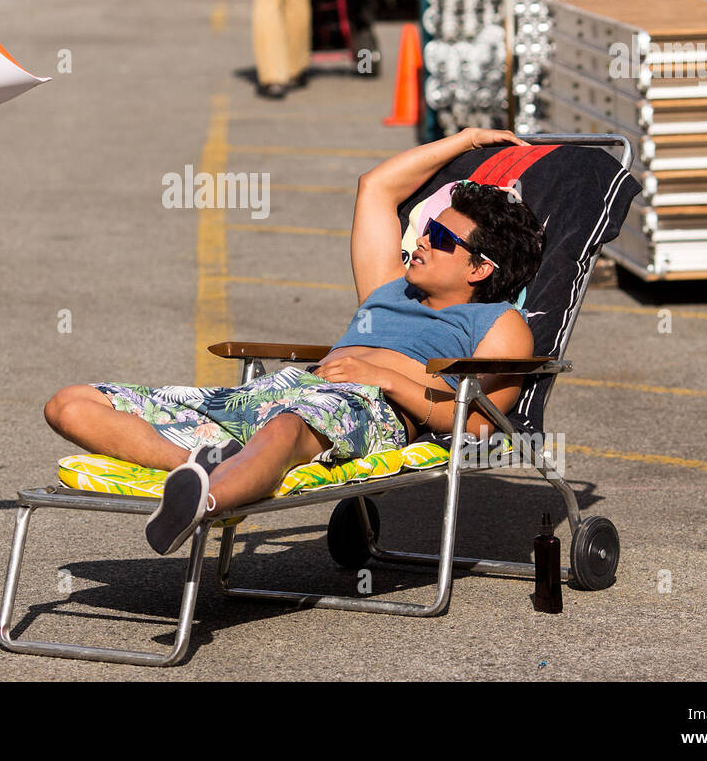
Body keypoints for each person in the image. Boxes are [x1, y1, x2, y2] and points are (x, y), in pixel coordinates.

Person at [44, 128, 545, 555]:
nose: (420, 239)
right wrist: (467, 140)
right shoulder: (387, 284)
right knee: (70, 403)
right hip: (279, 391)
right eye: (428, 227)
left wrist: (385, 380)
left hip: (362, 408)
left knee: (287, 428)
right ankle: (204, 470)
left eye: (439, 238)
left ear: (481, 268)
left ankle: (207, 505)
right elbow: (375, 187)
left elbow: (480, 427)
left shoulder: (497, 321)